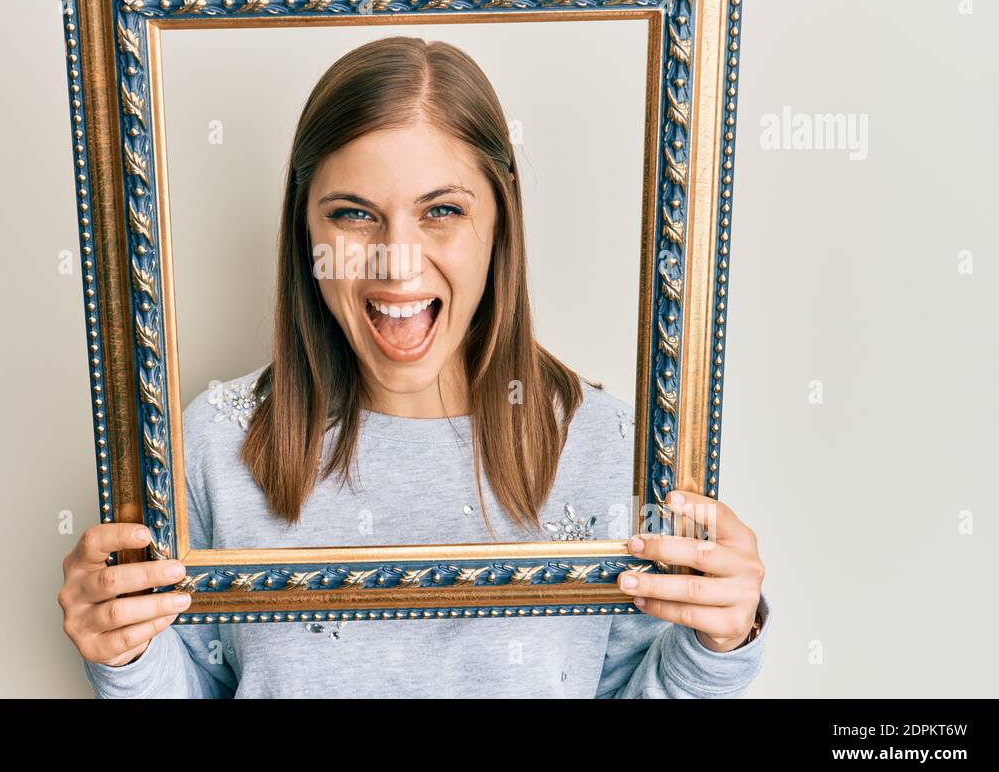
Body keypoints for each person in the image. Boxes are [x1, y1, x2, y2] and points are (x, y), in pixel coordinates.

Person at [58, 35, 770, 697]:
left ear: (499, 224)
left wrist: (721, 640)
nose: (397, 260)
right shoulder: (215, 445)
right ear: (304, 229)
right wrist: (122, 651)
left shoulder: (613, 448)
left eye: (442, 211)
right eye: (353, 214)